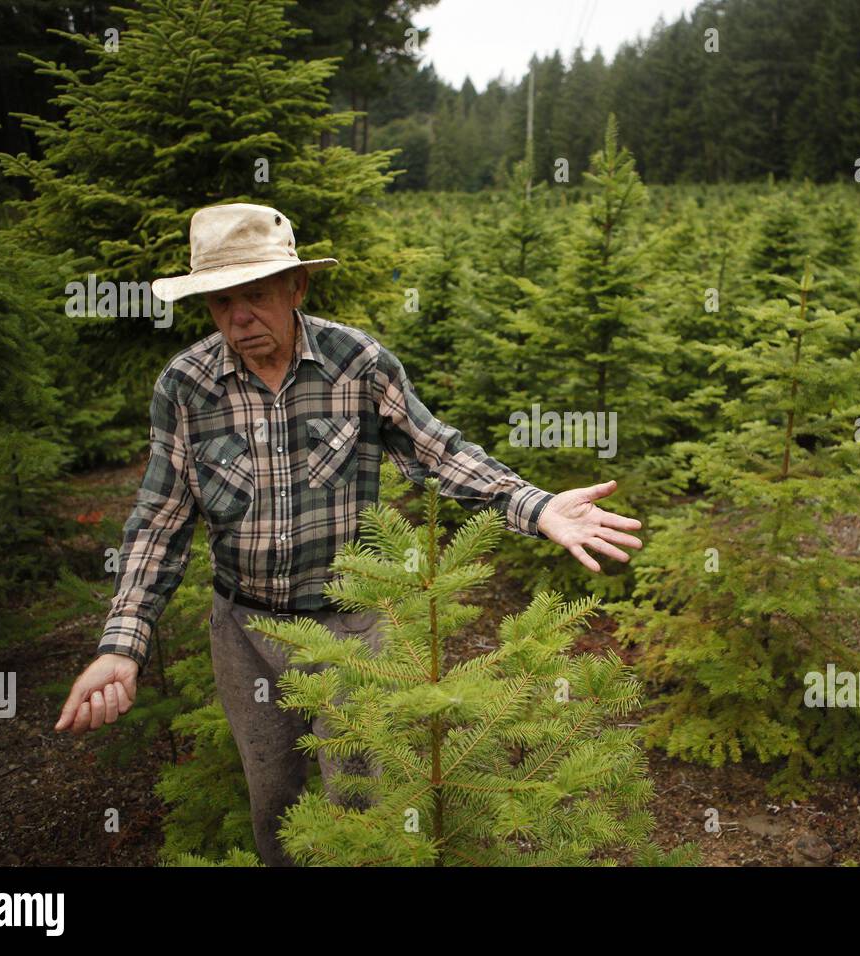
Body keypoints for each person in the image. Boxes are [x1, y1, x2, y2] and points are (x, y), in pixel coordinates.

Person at [54, 202, 644, 865]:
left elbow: (438, 452)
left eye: (255, 295)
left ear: (296, 287)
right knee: (273, 800)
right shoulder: (186, 388)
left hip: (350, 630)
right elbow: (159, 523)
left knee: (362, 801)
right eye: (221, 303)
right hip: (245, 635)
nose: (239, 317)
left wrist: (533, 506)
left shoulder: (357, 364)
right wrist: (122, 646)